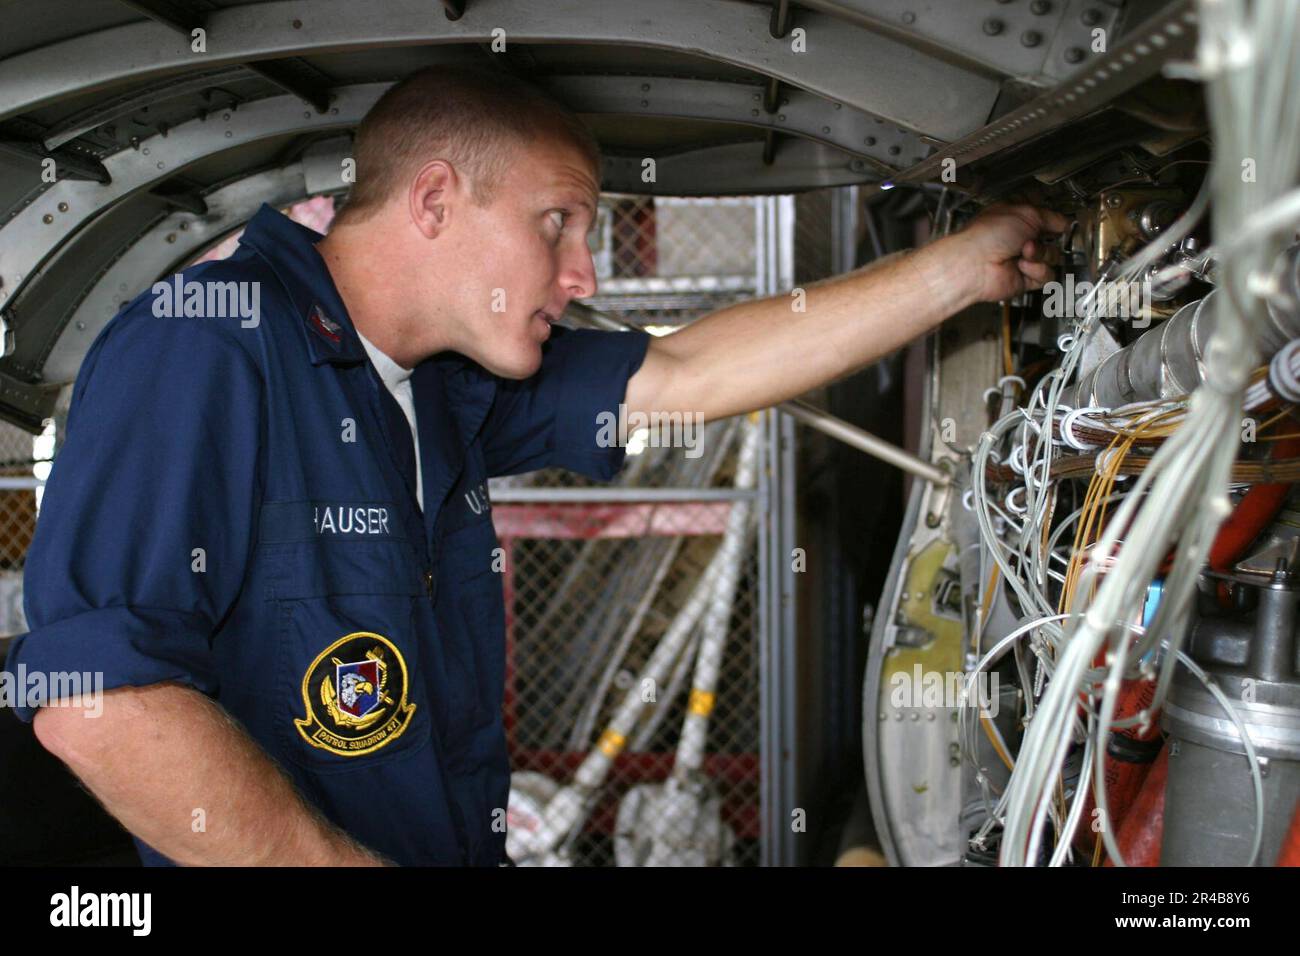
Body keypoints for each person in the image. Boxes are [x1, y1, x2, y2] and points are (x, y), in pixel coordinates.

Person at [2, 66, 1065, 866]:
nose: (583, 270)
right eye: (556, 221)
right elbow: (102, 703)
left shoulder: (449, 379)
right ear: (432, 202)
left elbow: (689, 368)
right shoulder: (204, 346)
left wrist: (956, 269)